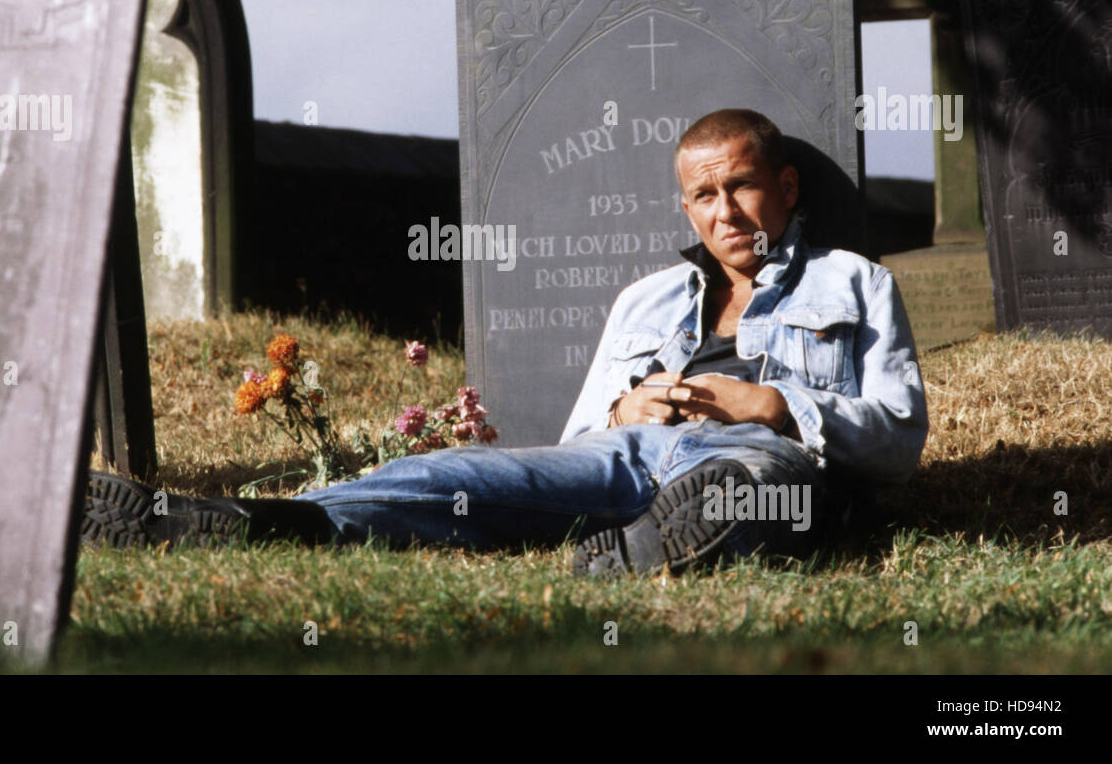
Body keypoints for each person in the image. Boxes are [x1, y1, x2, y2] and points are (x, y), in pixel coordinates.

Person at [82, 108, 929, 576]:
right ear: (687, 209)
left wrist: (776, 405)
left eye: (741, 185)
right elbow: (575, 438)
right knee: (445, 476)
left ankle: (648, 548)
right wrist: (624, 403)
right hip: (630, 454)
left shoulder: (855, 282)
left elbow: (898, 436)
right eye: (704, 196)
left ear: (783, 185)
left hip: (756, 454)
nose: (725, 212)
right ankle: (250, 524)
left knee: (751, 491)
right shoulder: (649, 298)